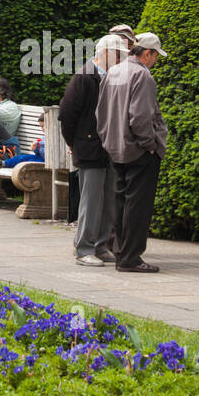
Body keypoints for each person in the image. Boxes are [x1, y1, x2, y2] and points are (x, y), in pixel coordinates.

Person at [96, 33, 168, 273]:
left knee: (121, 202)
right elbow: (140, 117)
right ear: (148, 53)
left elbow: (101, 113)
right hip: (139, 150)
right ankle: (130, 258)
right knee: (138, 205)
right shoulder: (142, 75)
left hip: (116, 148)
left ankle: (120, 252)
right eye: (156, 56)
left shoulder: (114, 71)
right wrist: (150, 145)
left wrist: (108, 139)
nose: (156, 61)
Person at [59, 33, 127, 267]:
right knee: (91, 200)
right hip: (90, 147)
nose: (121, 60)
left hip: (107, 148)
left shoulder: (108, 76)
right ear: (106, 52)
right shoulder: (84, 77)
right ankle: (84, 248)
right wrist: (75, 144)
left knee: (107, 199)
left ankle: (98, 245)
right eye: (119, 55)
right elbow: (67, 116)